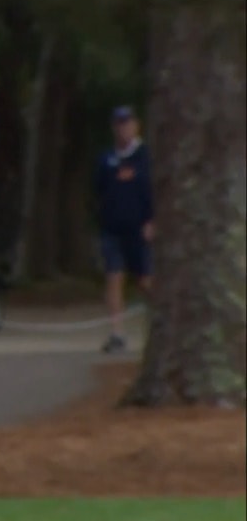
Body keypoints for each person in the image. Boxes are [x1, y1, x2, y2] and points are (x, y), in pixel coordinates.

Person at [95, 106, 154, 354]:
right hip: (113, 229)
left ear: (136, 125)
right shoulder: (106, 159)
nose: (124, 128)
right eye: (119, 124)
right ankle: (117, 332)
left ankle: (156, 327)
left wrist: (153, 221)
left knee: (146, 281)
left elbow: (155, 190)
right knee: (114, 276)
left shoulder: (145, 156)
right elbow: (98, 190)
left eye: (128, 123)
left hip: (140, 229)